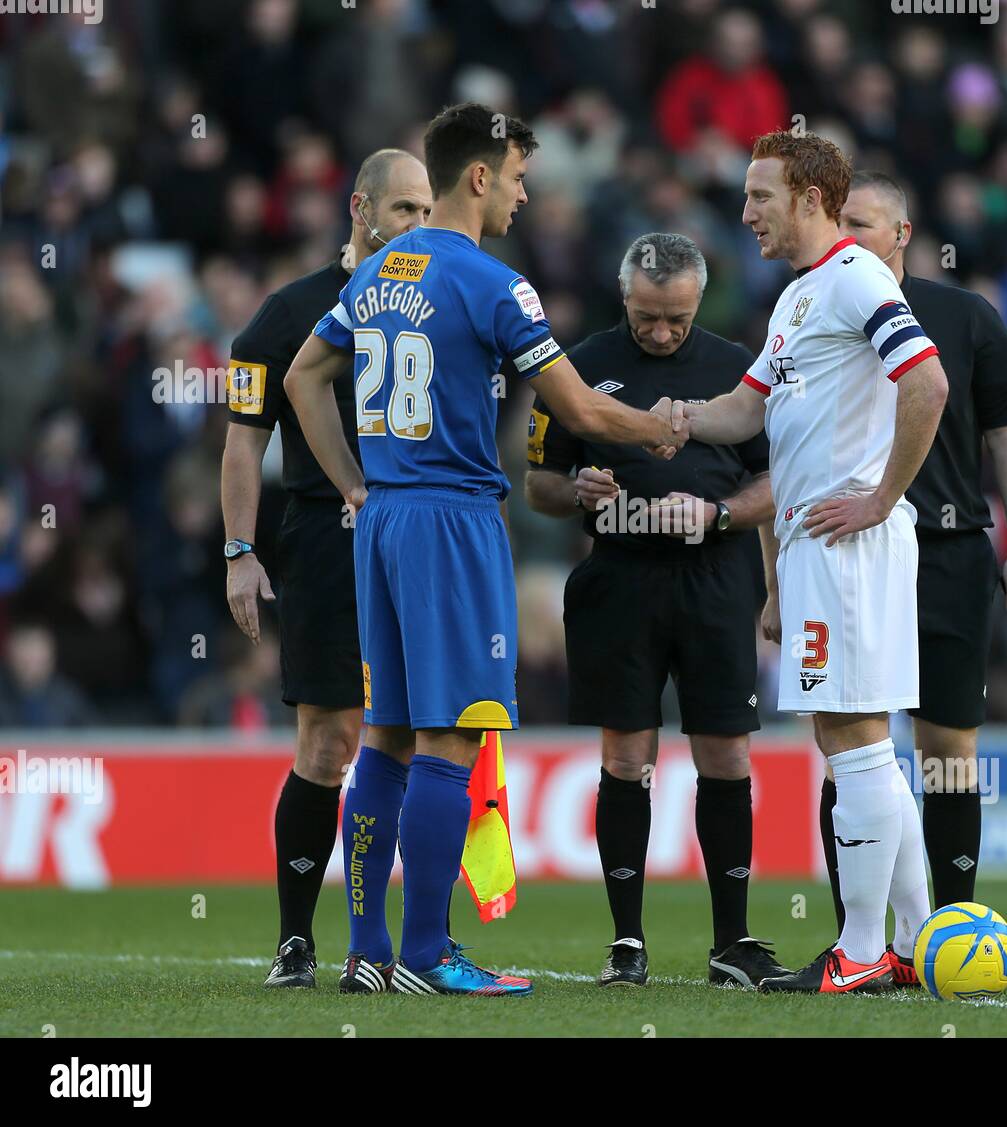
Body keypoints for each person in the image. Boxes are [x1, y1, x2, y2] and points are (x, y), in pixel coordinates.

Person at [284, 101, 683, 997]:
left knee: (382, 738)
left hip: (382, 518)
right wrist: (663, 429)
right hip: (453, 519)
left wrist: (354, 481)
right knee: (452, 737)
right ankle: (427, 953)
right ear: (478, 176)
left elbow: (304, 375)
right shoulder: (495, 283)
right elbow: (577, 409)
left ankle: (366, 951)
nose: (524, 191)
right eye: (515, 176)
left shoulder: (379, 271)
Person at [669, 130, 948, 994]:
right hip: (820, 546)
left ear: (810, 200)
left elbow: (926, 383)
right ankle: (910, 941)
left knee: (853, 739)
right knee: (862, 745)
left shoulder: (858, 276)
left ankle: (859, 953)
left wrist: (877, 497)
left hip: (847, 541)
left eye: (760, 196)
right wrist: (664, 419)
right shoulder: (798, 298)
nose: (745, 210)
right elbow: (743, 413)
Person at [525, 231, 789, 988]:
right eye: (648, 317)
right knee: (625, 757)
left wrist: (715, 516)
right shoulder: (576, 368)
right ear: (624, 296)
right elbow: (538, 481)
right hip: (619, 582)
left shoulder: (741, 369)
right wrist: (576, 490)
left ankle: (731, 941)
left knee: (726, 754)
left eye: (676, 318)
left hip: (714, 579)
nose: (663, 332)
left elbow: (776, 483)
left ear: (698, 301)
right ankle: (627, 943)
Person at [221, 147, 432, 988]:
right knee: (330, 739)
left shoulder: (432, 305)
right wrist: (240, 550)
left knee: (415, 738)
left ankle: (387, 945)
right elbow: (243, 443)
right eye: (405, 209)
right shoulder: (286, 314)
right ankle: (295, 940)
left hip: (419, 535)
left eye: (428, 210)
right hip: (321, 537)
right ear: (360, 208)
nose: (418, 225)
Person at [826, 170, 1007, 926]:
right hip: (850, 553)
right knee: (851, 746)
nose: (846, 237)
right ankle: (862, 936)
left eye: (863, 223)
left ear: (903, 235)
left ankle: (951, 928)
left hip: (948, 550)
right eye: (838, 222)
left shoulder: (968, 317)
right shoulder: (813, 313)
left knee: (948, 748)